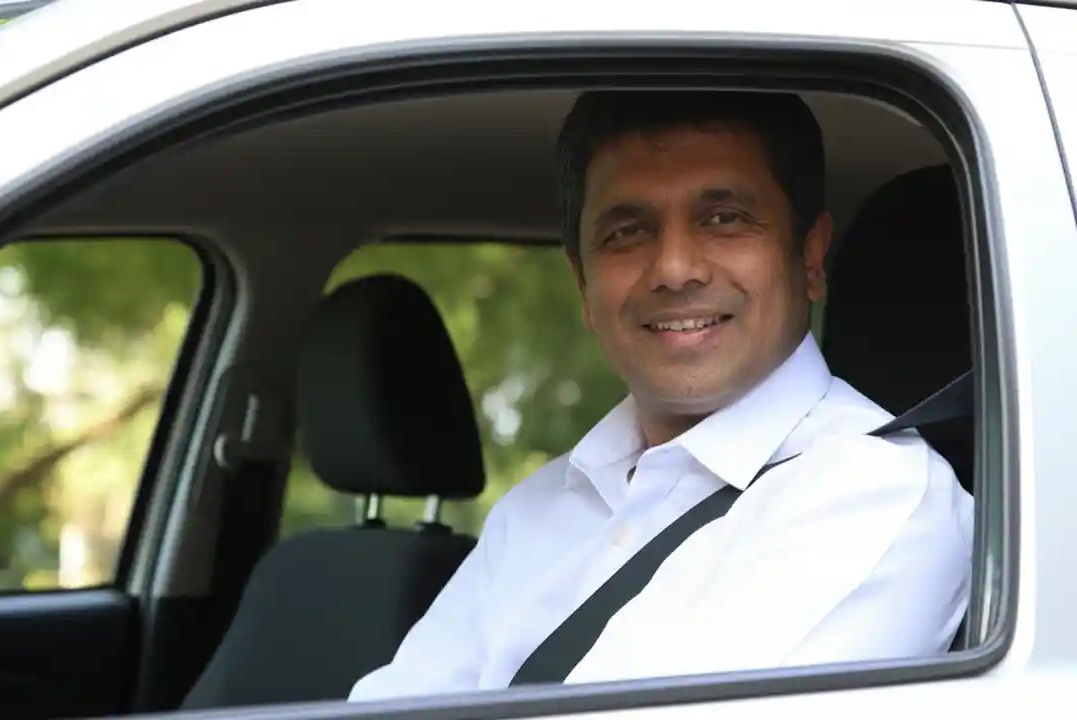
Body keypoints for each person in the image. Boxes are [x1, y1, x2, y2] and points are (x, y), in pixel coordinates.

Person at [348, 91, 974, 699]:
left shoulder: (878, 495)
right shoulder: (537, 509)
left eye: (725, 219)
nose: (675, 268)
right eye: (627, 232)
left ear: (809, 256)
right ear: (583, 285)